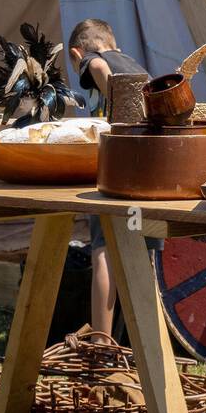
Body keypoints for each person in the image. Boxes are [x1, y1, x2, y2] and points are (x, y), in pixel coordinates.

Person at [66, 18, 155, 335]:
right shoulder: (132, 62)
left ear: (77, 54)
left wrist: (117, 104)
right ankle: (141, 337)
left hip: (118, 169)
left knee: (103, 248)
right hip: (150, 168)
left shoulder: (91, 60)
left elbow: (102, 71)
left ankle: (101, 342)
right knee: (142, 250)